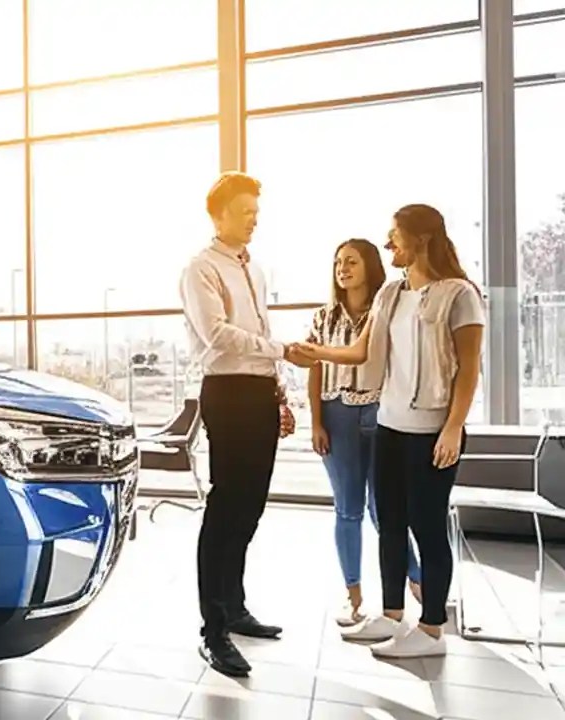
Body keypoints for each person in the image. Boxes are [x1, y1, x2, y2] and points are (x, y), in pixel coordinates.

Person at [299, 204, 484, 659]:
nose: (388, 244)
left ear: (421, 239)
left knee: (427, 527)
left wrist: (453, 428)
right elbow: (361, 352)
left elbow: (469, 369)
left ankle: (432, 629)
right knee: (391, 526)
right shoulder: (391, 294)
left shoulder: (460, 294)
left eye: (395, 236)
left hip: (433, 432)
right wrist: (311, 352)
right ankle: (391, 614)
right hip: (390, 427)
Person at [179, 172, 309, 678]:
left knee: (250, 507)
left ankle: (233, 607)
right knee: (226, 508)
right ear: (218, 215)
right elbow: (217, 334)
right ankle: (213, 631)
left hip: (258, 392)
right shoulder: (201, 268)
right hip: (227, 392)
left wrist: (277, 387)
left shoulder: (253, 268)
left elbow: (259, 330)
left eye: (257, 211)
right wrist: (281, 351)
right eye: (244, 211)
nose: (254, 219)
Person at [307, 239, 422, 627]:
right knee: (347, 508)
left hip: (382, 412)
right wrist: (316, 422)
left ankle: (419, 580)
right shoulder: (323, 318)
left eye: (351, 261)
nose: (343, 268)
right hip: (336, 417)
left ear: (370, 266)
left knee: (384, 509)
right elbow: (315, 370)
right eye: (338, 262)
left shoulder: (387, 309)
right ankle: (352, 595)